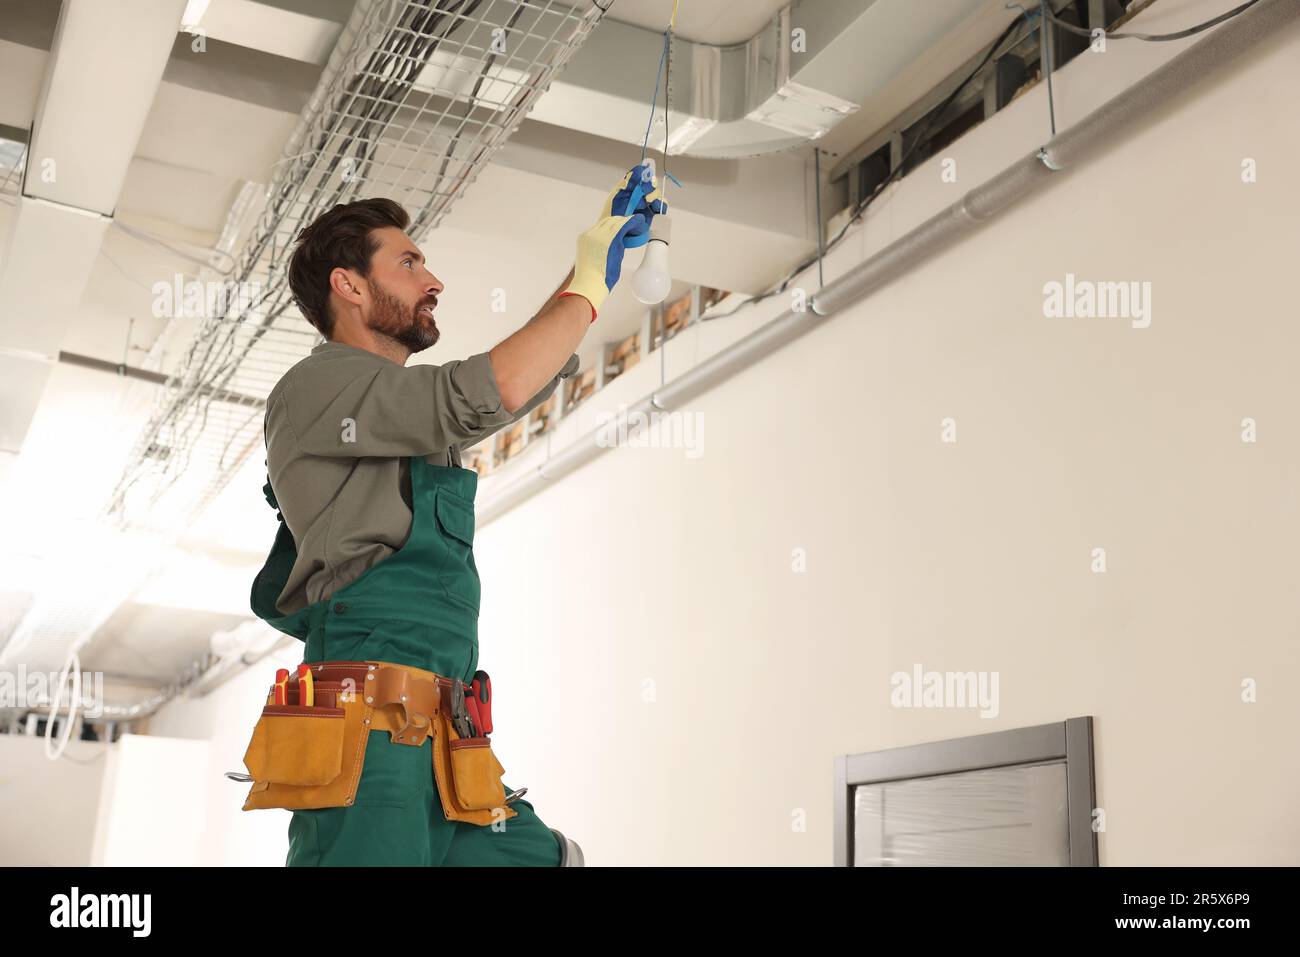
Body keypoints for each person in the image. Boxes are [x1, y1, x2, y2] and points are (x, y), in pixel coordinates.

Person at [245, 165, 664, 865]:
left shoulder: (400, 416)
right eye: (409, 262)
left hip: (449, 731)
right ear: (348, 285)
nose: (433, 280)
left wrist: (592, 268)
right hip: (368, 733)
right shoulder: (315, 387)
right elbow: (480, 391)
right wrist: (587, 286)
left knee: (555, 858)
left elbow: (506, 387)